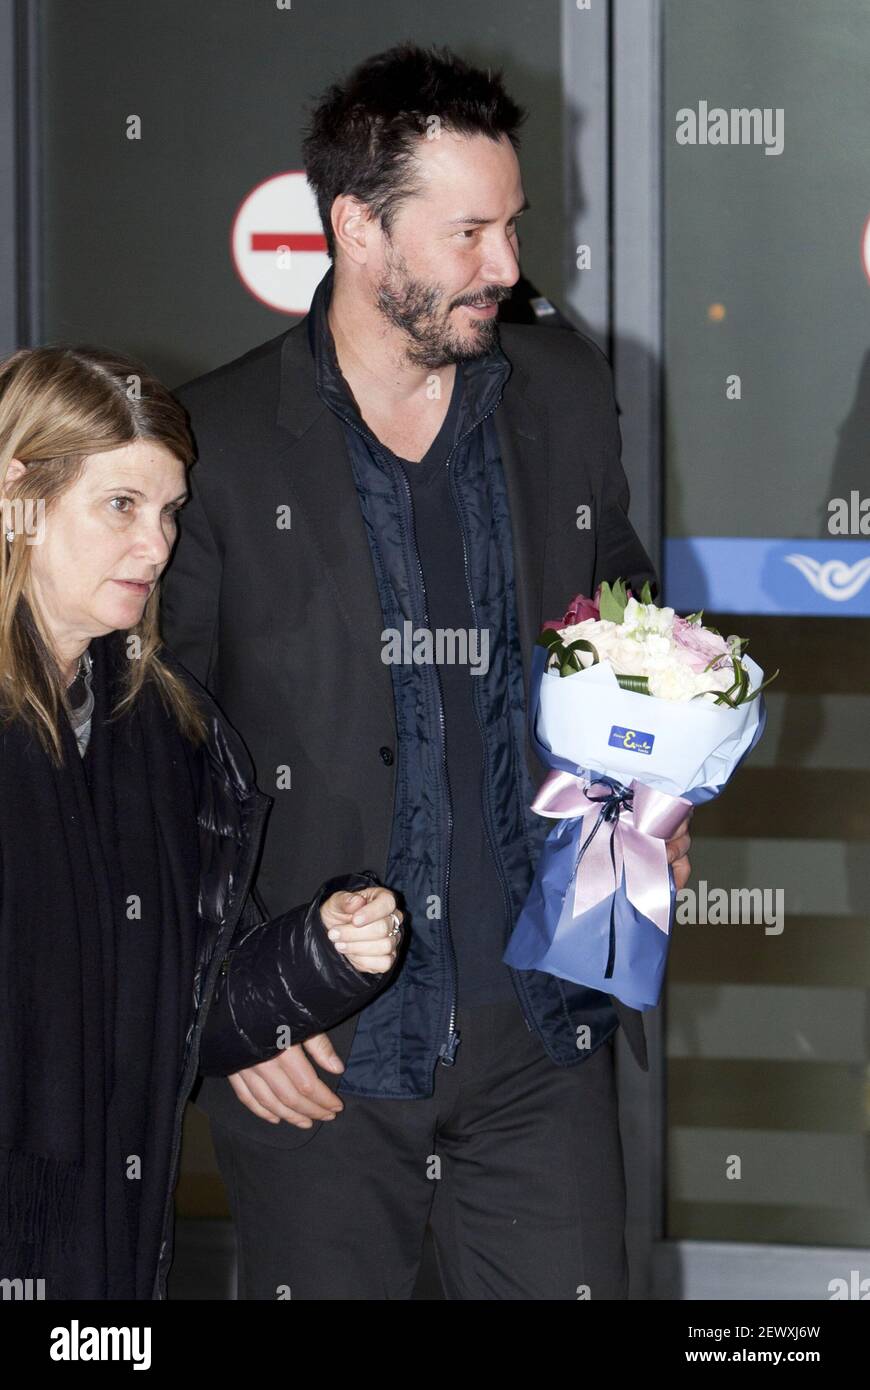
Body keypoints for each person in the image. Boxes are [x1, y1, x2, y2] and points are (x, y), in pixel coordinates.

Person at [160, 42, 692, 1301]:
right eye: (468, 233)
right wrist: (229, 1000)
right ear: (356, 228)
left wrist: (654, 803)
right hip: (324, 1056)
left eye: (512, 226)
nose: (506, 266)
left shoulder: (562, 390)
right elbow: (155, 751)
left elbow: (625, 622)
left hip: (542, 1038)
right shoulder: (218, 445)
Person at [0, 344, 404, 1300]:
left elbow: (172, 1016)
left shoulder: (165, 732)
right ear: (18, 495)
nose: (158, 546)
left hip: (109, 1244)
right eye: (121, 507)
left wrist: (314, 955)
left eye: (171, 511)